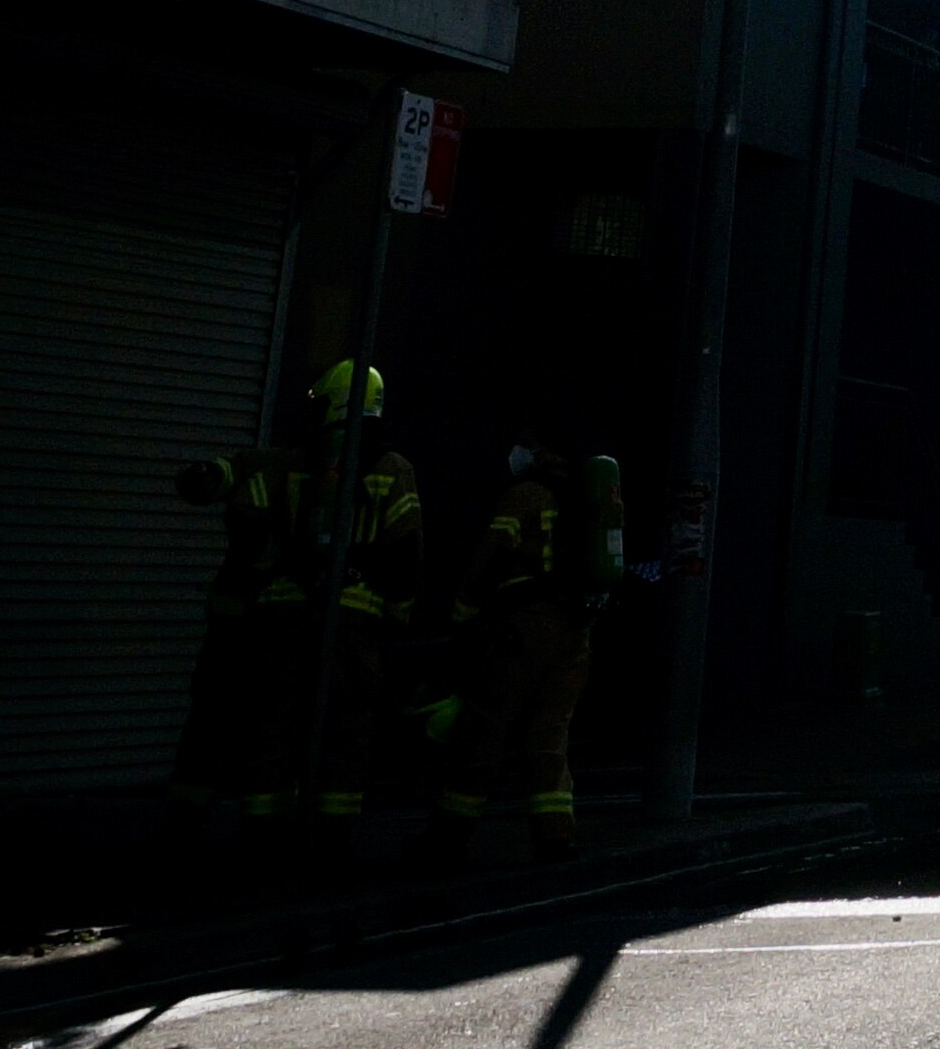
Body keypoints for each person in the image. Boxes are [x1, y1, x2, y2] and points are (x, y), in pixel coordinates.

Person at [259, 360, 425, 830]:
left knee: (276, 724)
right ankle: (331, 837)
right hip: (354, 619)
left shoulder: (294, 460)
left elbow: (265, 533)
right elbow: (407, 548)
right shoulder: (392, 469)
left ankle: (263, 832)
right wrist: (398, 608)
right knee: (346, 729)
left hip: (286, 614)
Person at [433, 429, 614, 860]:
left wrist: (462, 613)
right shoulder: (584, 496)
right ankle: (555, 834)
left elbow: (492, 553)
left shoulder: (527, 494)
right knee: (548, 736)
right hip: (575, 632)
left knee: (483, 730)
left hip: (523, 630)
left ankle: (446, 838)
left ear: (539, 453)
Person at [164, 438, 299, 829]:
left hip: (274, 628)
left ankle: (247, 825)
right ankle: (191, 819)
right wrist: (203, 475)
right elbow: (215, 477)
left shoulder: (324, 476)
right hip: (244, 625)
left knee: (255, 726)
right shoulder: (260, 463)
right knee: (217, 723)